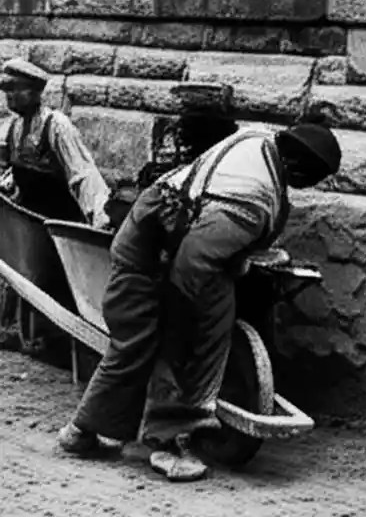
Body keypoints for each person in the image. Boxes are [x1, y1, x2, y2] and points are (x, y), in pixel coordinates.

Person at [55, 118, 342, 482]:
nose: (312, 186)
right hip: (149, 249)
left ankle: (86, 432)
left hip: (173, 231)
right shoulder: (249, 200)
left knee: (152, 338)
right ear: (299, 167)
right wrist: (191, 328)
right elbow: (193, 267)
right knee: (161, 338)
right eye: (314, 177)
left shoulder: (261, 139)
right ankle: (165, 441)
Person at [0, 58, 110, 228]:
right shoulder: (13, 127)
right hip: (28, 221)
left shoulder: (56, 126)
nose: (9, 95)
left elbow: (82, 175)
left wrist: (100, 217)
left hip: (57, 221)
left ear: (34, 91)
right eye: (6, 89)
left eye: (15, 88)